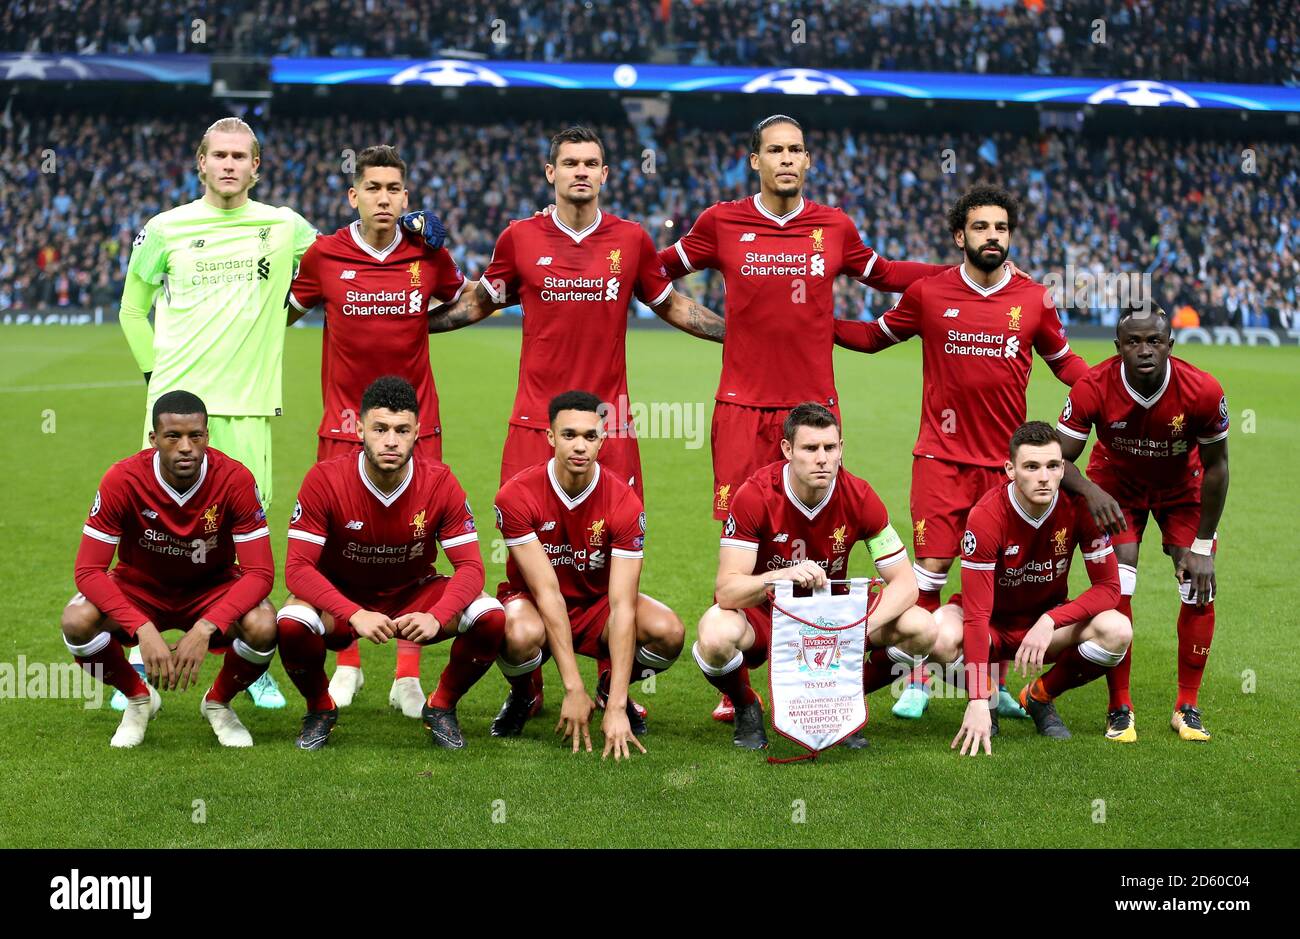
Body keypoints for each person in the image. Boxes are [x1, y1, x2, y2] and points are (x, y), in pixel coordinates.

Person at [425, 125, 721, 719]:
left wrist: (746, 336)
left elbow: (674, 306)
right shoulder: (521, 238)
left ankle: (617, 691)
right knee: (525, 575)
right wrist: (408, 323)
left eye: (591, 163)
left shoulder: (631, 241)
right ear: (550, 173)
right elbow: (479, 302)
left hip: (609, 429)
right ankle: (526, 690)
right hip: (533, 426)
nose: (580, 172)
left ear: (606, 174)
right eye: (569, 163)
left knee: (616, 560)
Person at [834, 183, 1089, 721]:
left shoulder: (1034, 299)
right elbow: (874, 336)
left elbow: (1067, 366)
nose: (991, 236)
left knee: (998, 579)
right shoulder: (930, 293)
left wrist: (1111, 393)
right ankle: (916, 678)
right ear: (959, 236)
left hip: (1006, 467)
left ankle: (990, 685)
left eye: (1000, 228)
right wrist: (815, 325)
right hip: (941, 460)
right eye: (980, 227)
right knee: (929, 572)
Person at [116, 116, 317, 710]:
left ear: (257, 166)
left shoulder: (284, 228)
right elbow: (132, 308)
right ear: (200, 162)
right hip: (176, 411)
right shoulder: (164, 229)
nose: (229, 165)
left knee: (240, 543)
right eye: (219, 155)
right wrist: (157, 382)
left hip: (248, 409)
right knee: (149, 535)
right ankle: (135, 654)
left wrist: (414, 236)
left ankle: (245, 665)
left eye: (241, 156)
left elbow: (341, 263)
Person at [287, 144, 465, 717]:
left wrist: (444, 265)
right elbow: (283, 312)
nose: (383, 198)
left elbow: (463, 305)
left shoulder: (427, 254)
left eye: (394, 189)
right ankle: (349, 663)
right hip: (342, 423)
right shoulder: (323, 256)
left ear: (406, 198)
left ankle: (407, 676)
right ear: (353, 196)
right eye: (373, 188)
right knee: (343, 549)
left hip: (420, 425)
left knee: (413, 550)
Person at [693, 403, 939, 749]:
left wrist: (858, 629)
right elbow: (728, 591)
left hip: (833, 612)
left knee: (923, 628)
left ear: (841, 449)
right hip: (770, 612)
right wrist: (784, 576)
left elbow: (906, 584)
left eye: (830, 447)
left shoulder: (860, 496)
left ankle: (842, 701)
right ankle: (746, 705)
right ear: (788, 450)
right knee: (716, 634)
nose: (822, 458)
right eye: (810, 448)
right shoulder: (755, 494)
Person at [277, 377, 506, 750]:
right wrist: (353, 612)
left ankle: (442, 705)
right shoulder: (324, 479)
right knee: (292, 621)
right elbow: (298, 569)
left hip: (412, 595)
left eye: (402, 430)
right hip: (343, 598)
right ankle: (320, 708)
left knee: (490, 614)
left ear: (417, 431)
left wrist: (437, 614)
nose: (391, 441)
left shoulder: (441, 483)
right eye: (380, 429)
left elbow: (471, 568)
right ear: (358, 428)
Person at [61, 391, 277, 748]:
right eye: (173, 436)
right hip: (140, 588)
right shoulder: (122, 479)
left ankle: (218, 703)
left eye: (196, 436)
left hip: (212, 587)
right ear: (154, 439)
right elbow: (88, 571)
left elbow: (261, 573)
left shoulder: (235, 479)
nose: (186, 447)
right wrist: (141, 628)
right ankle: (138, 698)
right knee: (76, 621)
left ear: (208, 437)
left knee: (264, 625)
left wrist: (208, 625)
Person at [1056, 305, 1229, 742]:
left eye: (1154, 340)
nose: (1145, 350)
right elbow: (1058, 460)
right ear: (1118, 349)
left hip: (1183, 488)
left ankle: (1186, 705)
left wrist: (1204, 546)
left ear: (1170, 344)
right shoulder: (1092, 386)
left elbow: (1218, 468)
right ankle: (1120, 707)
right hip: (1117, 489)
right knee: (1119, 587)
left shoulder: (1203, 390)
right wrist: (1093, 493)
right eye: (1134, 342)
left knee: (1197, 586)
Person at [490, 391, 684, 761]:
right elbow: (547, 593)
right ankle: (524, 693)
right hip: (535, 605)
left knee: (668, 631)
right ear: (549, 437)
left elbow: (622, 605)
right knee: (516, 634)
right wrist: (572, 686)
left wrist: (617, 706)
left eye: (590, 436)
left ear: (602, 440)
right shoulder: (515, 496)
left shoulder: (624, 502)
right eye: (568, 435)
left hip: (597, 607)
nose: (580, 446)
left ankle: (610, 692)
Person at [947, 422, 1131, 756]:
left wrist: (1050, 620)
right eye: (1031, 467)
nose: (1043, 477)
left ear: (1063, 468)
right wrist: (974, 696)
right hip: (989, 627)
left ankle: (1039, 696)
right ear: (1010, 470)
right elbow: (975, 614)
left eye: (1051, 466)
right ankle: (985, 694)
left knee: (1117, 629)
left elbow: (1109, 589)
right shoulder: (986, 516)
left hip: (1045, 630)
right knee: (936, 634)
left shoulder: (1080, 509)